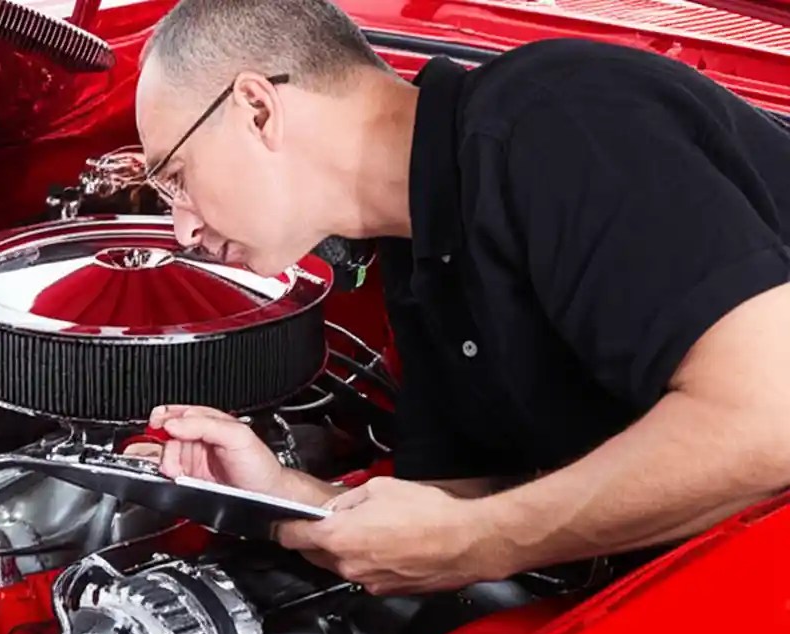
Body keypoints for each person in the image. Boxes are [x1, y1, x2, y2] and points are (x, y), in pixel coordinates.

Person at [132, 0, 790, 595]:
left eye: (176, 178)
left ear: (257, 109)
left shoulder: (560, 123)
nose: (183, 228)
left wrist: (480, 545)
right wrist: (287, 499)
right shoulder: (419, 241)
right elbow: (470, 503)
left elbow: (770, 417)